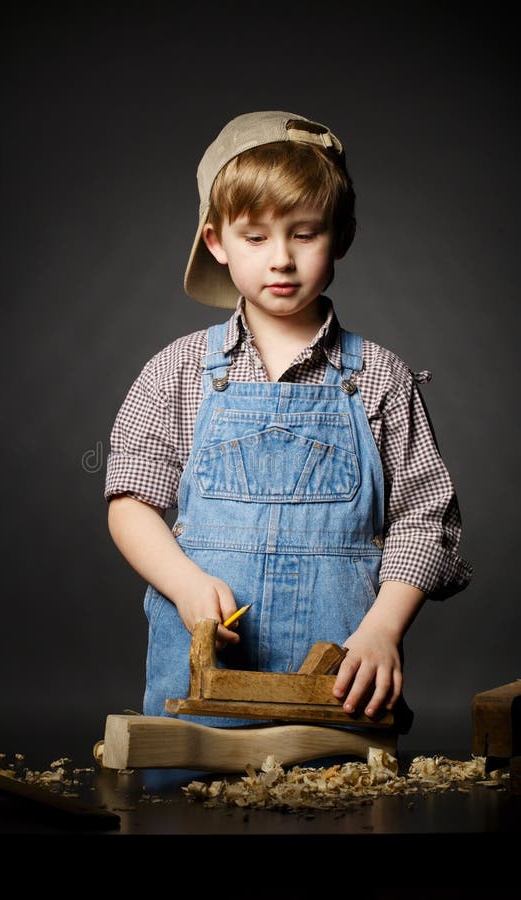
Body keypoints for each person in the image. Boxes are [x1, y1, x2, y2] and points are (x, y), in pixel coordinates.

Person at [104, 110, 473, 728]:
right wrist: (186, 584)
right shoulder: (178, 370)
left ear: (342, 236)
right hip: (200, 694)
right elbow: (129, 502)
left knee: (335, 807)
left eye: (304, 234)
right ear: (216, 242)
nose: (281, 259)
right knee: (183, 816)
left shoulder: (379, 377)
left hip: (337, 696)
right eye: (255, 237)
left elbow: (426, 518)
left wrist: (382, 628)